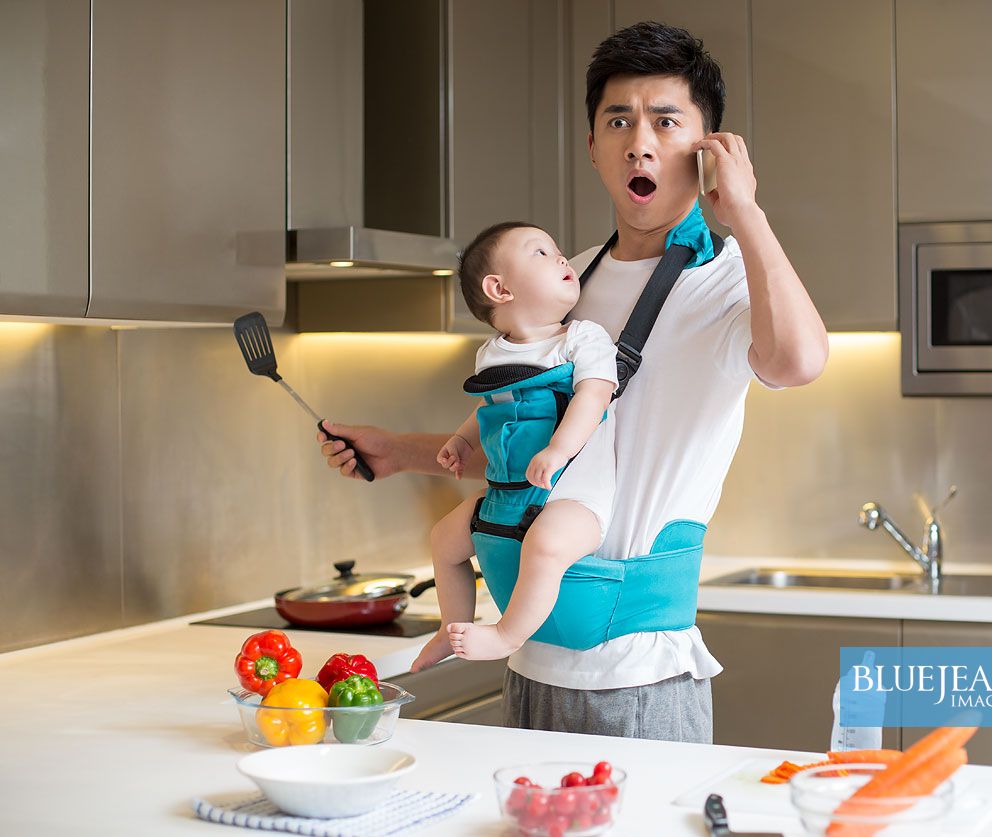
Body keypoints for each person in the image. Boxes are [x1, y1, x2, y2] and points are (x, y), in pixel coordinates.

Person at [318, 21, 828, 743]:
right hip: (529, 661)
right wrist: (398, 451)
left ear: (707, 147)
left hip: (639, 669)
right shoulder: (565, 277)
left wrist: (744, 212)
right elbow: (539, 446)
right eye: (617, 120)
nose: (639, 141)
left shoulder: (728, 279)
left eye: (665, 120)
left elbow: (798, 363)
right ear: (592, 147)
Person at [412, 221, 619, 667]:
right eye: (541, 253)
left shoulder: (582, 338)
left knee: (545, 546)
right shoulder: (491, 353)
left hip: (575, 497)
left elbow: (595, 395)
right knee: (444, 540)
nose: (562, 257)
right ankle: (449, 628)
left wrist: (558, 450)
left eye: (557, 250)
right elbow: (491, 404)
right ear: (499, 288)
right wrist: (462, 439)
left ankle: (506, 635)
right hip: (507, 495)